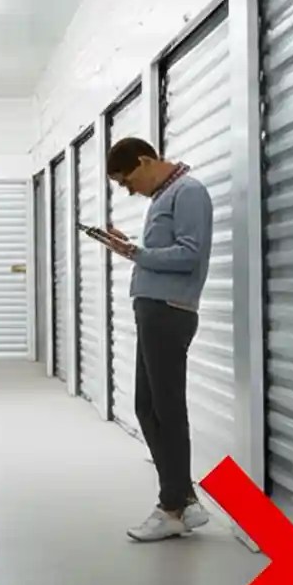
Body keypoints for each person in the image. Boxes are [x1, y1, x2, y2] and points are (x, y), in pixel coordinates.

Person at [101, 136, 214, 542]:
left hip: (169, 311)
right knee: (147, 407)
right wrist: (131, 247)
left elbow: (189, 254)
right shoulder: (167, 195)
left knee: (167, 409)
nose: (130, 190)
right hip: (154, 308)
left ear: (146, 161)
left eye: (128, 181)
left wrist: (137, 253)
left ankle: (172, 507)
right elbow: (168, 251)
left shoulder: (189, 192)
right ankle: (184, 499)